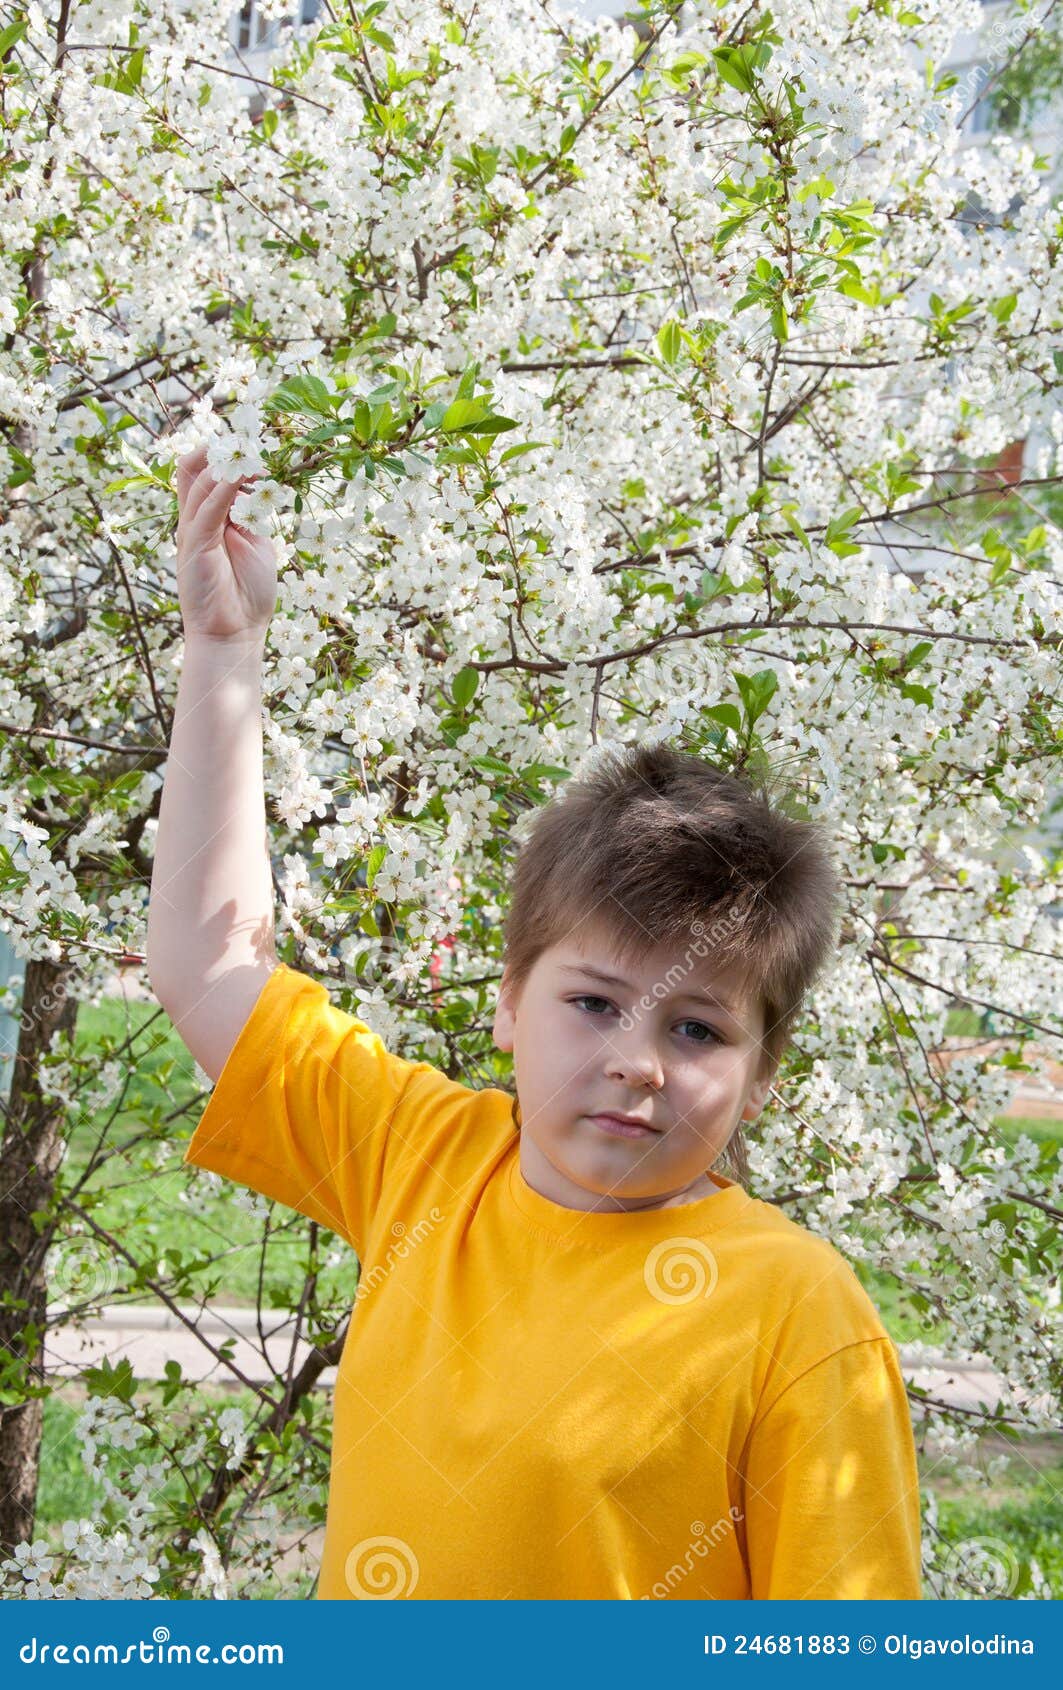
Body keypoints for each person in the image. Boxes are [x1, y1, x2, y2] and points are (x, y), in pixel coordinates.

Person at [147, 445, 923, 1601]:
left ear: (763, 1075)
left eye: (699, 1031)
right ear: (510, 1005)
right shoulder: (423, 1160)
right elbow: (208, 965)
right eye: (595, 1002)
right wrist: (223, 653)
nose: (634, 1062)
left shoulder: (796, 1309)